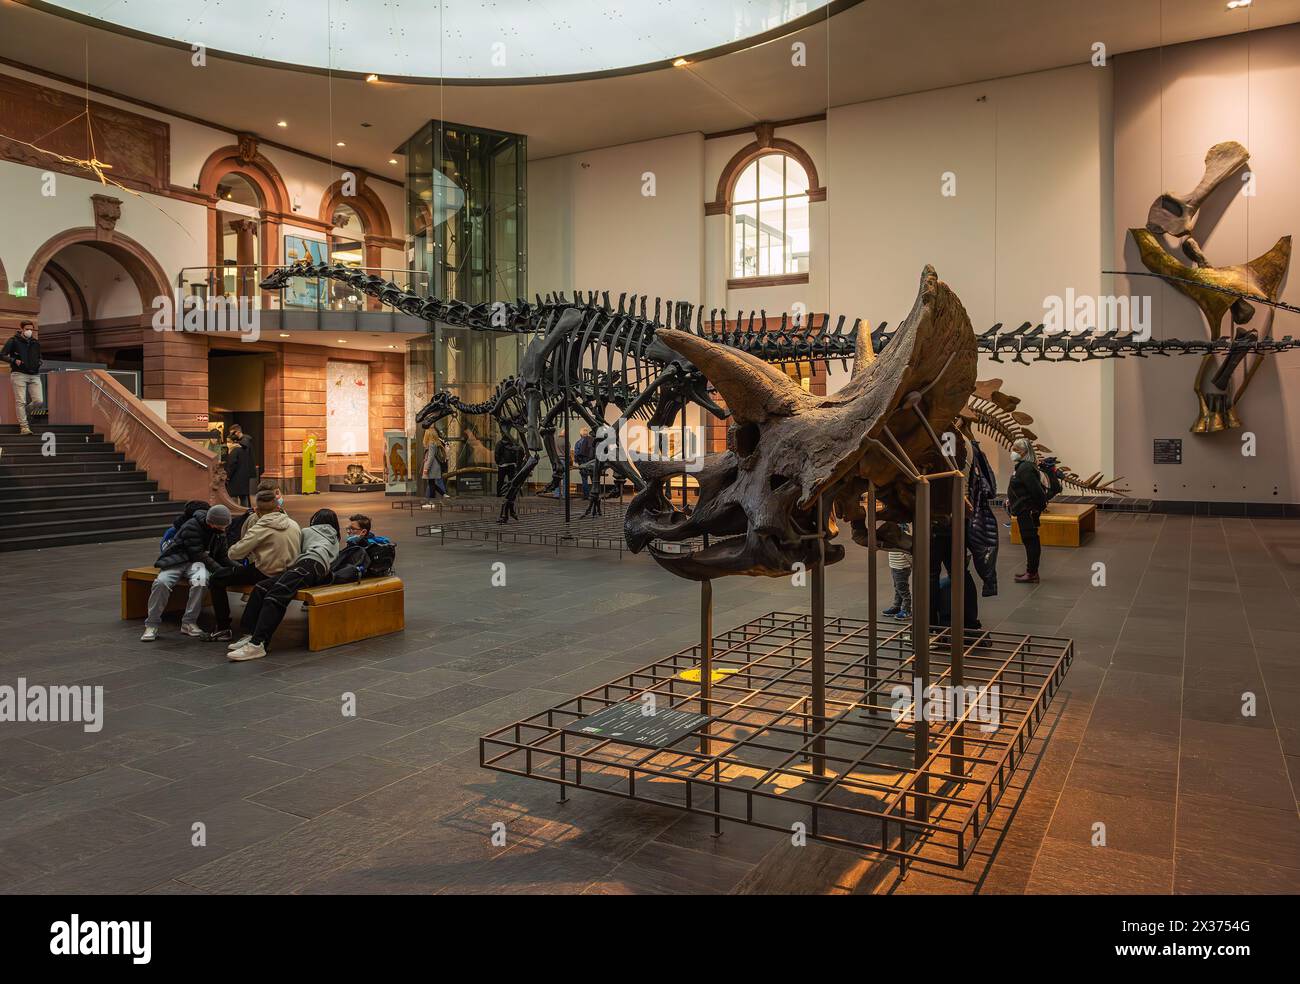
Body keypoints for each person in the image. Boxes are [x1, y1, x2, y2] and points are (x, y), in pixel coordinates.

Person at [227, 508, 340, 662]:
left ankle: (258, 643)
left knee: (275, 596)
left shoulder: (308, 530)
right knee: (261, 587)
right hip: (315, 570)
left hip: (306, 564)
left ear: (315, 519)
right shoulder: (334, 537)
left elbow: (294, 551)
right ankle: (252, 635)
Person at [208, 488, 302, 640]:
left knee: (217, 578)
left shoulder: (260, 527)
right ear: (278, 507)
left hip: (266, 572)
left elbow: (234, 553)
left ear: (257, 510)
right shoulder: (293, 524)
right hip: (288, 573)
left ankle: (223, 628)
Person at [142, 504, 231, 642]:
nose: (224, 529)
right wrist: (220, 570)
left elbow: (223, 556)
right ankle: (151, 625)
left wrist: (235, 569)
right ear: (212, 523)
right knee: (161, 582)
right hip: (177, 560)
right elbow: (199, 554)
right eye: (222, 526)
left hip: (196, 563)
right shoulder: (192, 526)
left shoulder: (219, 530)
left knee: (201, 580)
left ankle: (189, 622)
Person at [1008, 437, 1049, 584]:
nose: (1013, 452)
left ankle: (1032, 573)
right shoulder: (1023, 467)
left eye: (1016, 450)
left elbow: (1036, 491)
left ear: (1025, 452)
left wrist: (1036, 508)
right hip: (1023, 510)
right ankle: (1030, 571)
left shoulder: (1026, 468)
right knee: (1029, 540)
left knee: (1031, 540)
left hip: (1027, 511)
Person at [2, 321, 43, 436]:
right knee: (21, 401)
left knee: (39, 401)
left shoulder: (36, 343)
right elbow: (2, 355)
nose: (30, 331)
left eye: (31, 329)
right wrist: (14, 360)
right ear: (22, 329)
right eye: (27, 329)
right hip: (19, 374)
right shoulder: (13, 341)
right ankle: (24, 427)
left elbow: (39, 355)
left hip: (34, 374)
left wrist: (39, 362)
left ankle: (24, 413)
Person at [883, 523, 912, 621]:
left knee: (902, 589)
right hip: (894, 566)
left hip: (901, 567)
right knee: (897, 588)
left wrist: (912, 564)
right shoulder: (893, 537)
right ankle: (897, 606)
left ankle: (907, 610)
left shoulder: (903, 539)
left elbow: (908, 553)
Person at [224, 425, 255, 507]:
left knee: (235, 498)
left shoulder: (238, 448)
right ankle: (245, 513)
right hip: (244, 475)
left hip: (236, 477)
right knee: (243, 497)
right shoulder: (242, 447)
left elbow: (232, 465)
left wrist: (228, 476)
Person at [420, 427, 448, 505]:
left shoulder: (431, 444)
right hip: (434, 466)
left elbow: (431, 457)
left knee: (431, 484)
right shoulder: (436, 442)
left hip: (432, 467)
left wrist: (426, 468)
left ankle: (431, 502)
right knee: (432, 483)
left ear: (428, 435)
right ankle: (443, 494)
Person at [574, 427, 596, 499]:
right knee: (593, 479)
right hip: (592, 462)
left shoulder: (578, 443)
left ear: (580, 434)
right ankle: (594, 494)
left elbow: (576, 454)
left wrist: (578, 462)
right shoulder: (593, 441)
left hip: (583, 463)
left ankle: (586, 495)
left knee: (584, 479)